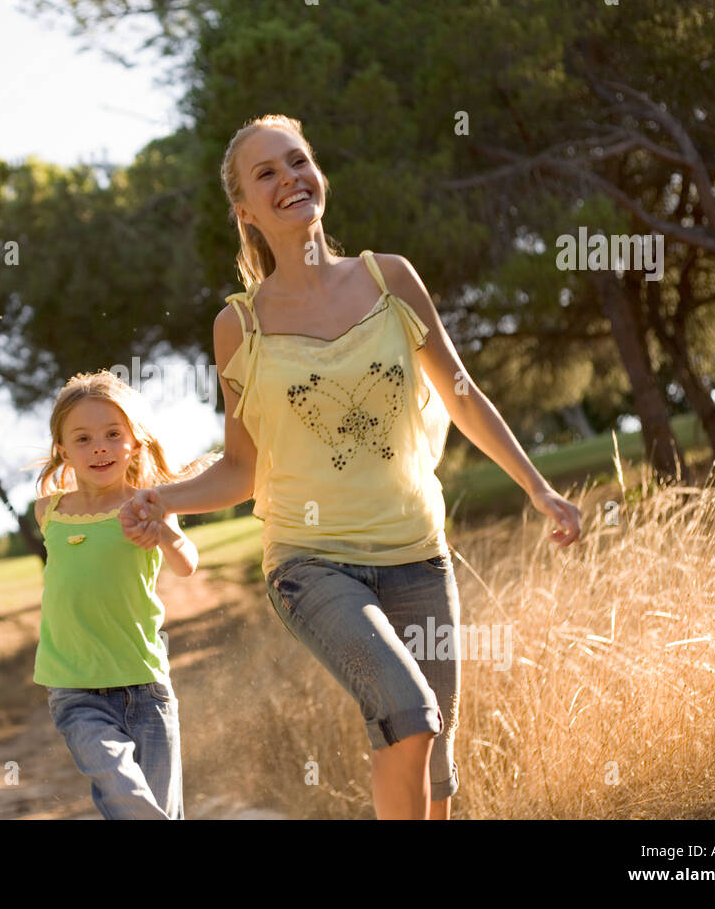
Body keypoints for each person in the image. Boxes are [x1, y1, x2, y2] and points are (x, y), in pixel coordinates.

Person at [121, 114, 581, 820]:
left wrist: (538, 488)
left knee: (437, 765)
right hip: (311, 564)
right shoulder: (238, 327)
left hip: (416, 554)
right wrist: (165, 498)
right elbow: (243, 469)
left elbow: (461, 396)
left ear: (320, 176)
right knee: (408, 714)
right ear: (244, 211)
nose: (289, 179)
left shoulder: (389, 279)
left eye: (298, 161)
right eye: (266, 173)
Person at [32, 370, 202, 819]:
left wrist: (164, 532)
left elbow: (186, 565)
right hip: (74, 688)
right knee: (123, 789)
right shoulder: (47, 511)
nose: (99, 447)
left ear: (135, 442)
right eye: (83, 438)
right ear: (62, 449)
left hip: (146, 685)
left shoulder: (148, 504)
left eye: (112, 434)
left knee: (161, 806)